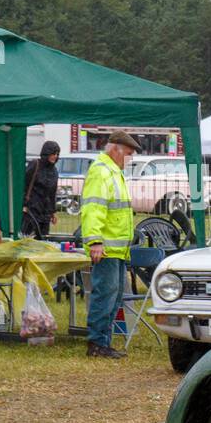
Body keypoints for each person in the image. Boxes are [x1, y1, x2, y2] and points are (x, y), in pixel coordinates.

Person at [80, 131, 140, 359]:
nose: (129, 159)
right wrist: (95, 241)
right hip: (106, 247)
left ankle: (102, 342)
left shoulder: (112, 171)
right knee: (105, 295)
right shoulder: (102, 172)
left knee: (112, 297)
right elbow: (93, 209)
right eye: (128, 154)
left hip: (115, 248)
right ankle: (96, 343)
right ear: (115, 149)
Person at [22, 141, 61, 240]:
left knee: (43, 239)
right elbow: (24, 185)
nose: (55, 156)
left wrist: (53, 212)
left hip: (45, 212)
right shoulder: (35, 164)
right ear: (46, 153)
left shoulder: (54, 171)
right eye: (53, 153)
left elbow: (52, 193)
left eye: (57, 154)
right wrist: (24, 204)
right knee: (28, 238)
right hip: (32, 209)